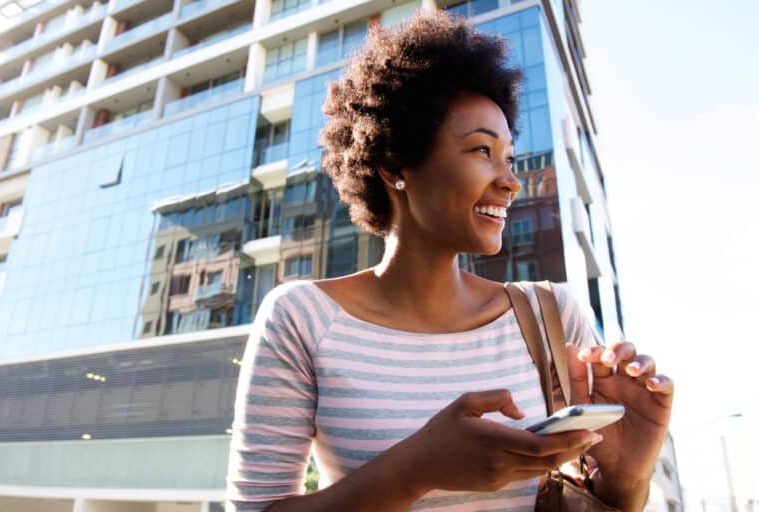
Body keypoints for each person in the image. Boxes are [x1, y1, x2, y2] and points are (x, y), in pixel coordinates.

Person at [226, 10, 673, 512]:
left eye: (508, 156)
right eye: (481, 150)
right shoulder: (302, 320)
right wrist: (417, 469)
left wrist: (628, 479)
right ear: (396, 165)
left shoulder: (554, 317)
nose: (510, 181)